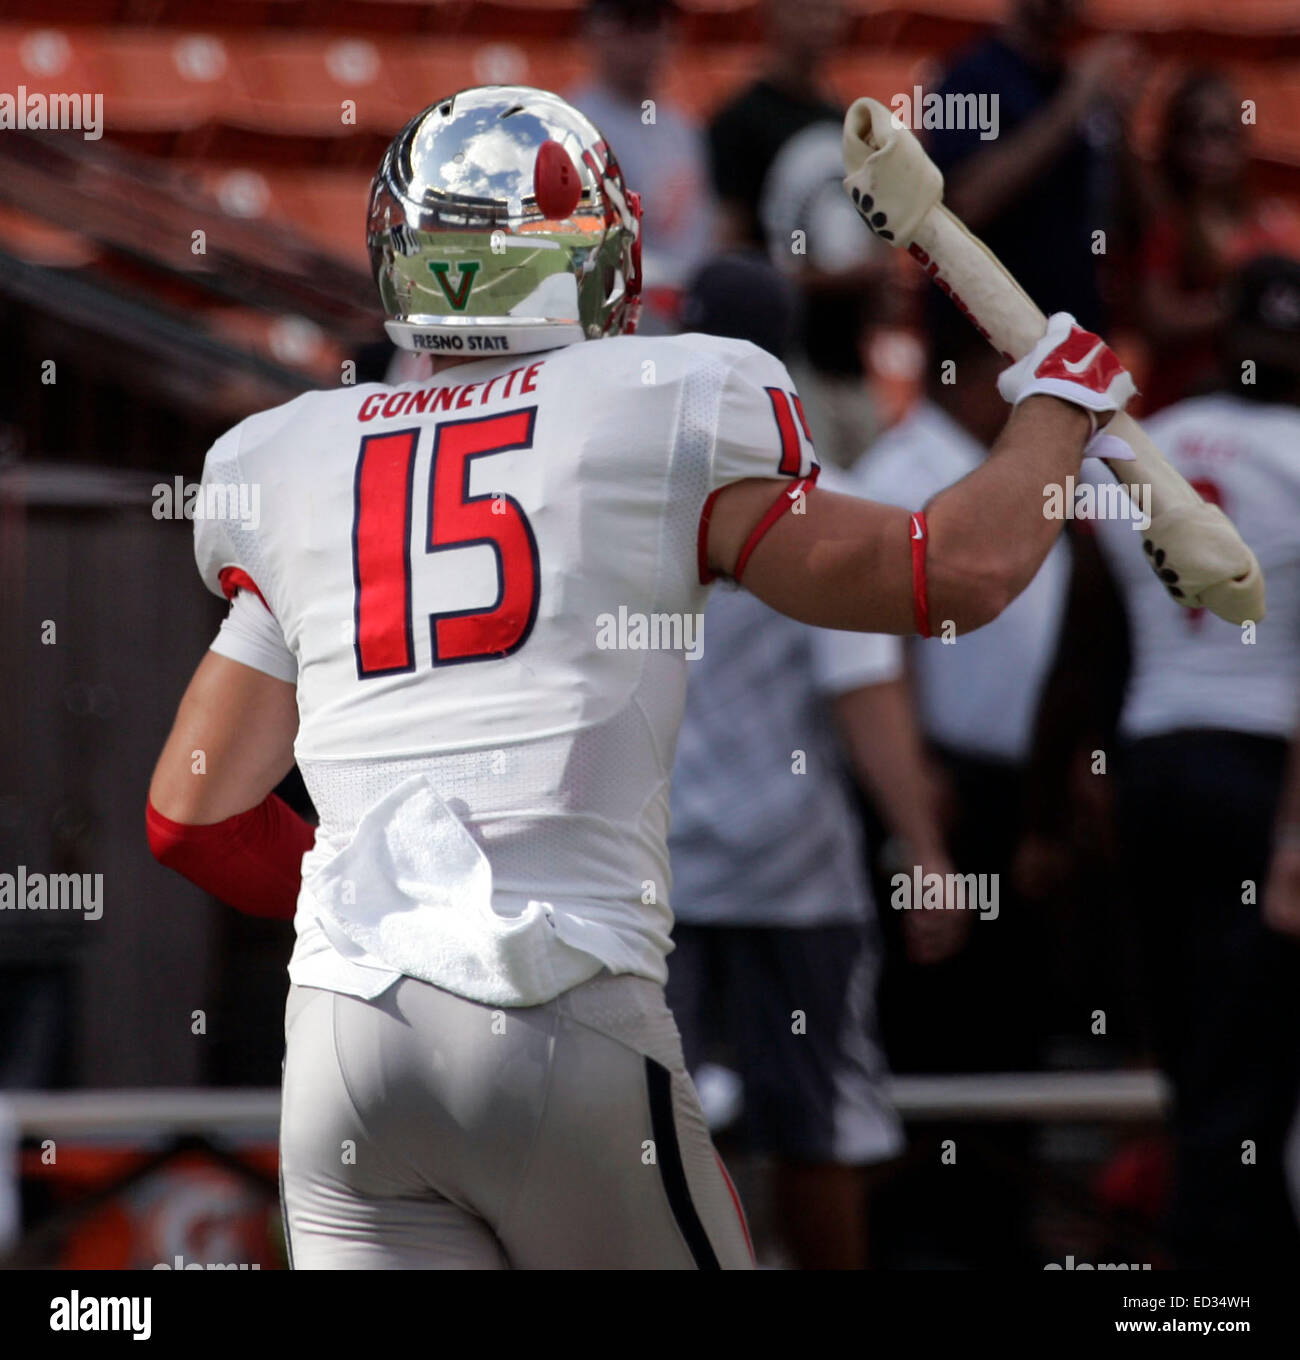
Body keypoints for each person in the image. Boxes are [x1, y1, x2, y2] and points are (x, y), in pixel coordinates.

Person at [145, 86, 1137, 1270]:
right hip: (555, 1006)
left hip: (345, 1046)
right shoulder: (662, 406)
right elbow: (953, 573)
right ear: (594, 259)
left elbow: (189, 815)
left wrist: (393, 906)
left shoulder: (298, 457)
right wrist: (1059, 405)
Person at [666, 252, 905, 1270]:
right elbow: (864, 695)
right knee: (817, 1125)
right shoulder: (829, 499)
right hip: (792, 872)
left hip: (654, 870)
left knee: (645, 1136)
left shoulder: (626, 500)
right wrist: (927, 846)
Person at [1066, 255, 1300, 1267]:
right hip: (1261, 776)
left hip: (1154, 762)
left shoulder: (1143, 446)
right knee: (1247, 1070)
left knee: (1188, 1053)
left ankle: (1196, 1264)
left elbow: (1087, 630)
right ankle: (1210, 1284)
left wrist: (1081, 768)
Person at [707, 0, 888, 466]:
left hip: (849, 360)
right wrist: (832, 279)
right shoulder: (739, 120)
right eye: (806, 9)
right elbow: (731, 262)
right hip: (782, 367)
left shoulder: (845, 121)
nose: (821, 23)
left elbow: (870, 235)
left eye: (830, 11)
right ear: (771, 15)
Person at [925, 0, 1143, 336]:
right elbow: (965, 201)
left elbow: (1130, 221)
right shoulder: (967, 78)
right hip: (990, 341)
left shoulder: (1073, 82)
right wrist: (1075, 100)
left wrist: (1123, 129)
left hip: (1074, 334)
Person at [1136, 69, 1300, 414]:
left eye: (1223, 133)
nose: (1210, 150)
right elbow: (1157, 321)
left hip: (1256, 407)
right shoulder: (1166, 223)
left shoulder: (1269, 221)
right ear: (1175, 141)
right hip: (1182, 405)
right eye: (1195, 134)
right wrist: (1240, 307)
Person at [567, 0, 714, 331]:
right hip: (613, 321)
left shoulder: (684, 128)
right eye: (627, 23)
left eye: (653, 24)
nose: (642, 41)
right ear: (592, 31)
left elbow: (701, 237)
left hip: (686, 316)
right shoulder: (572, 128)